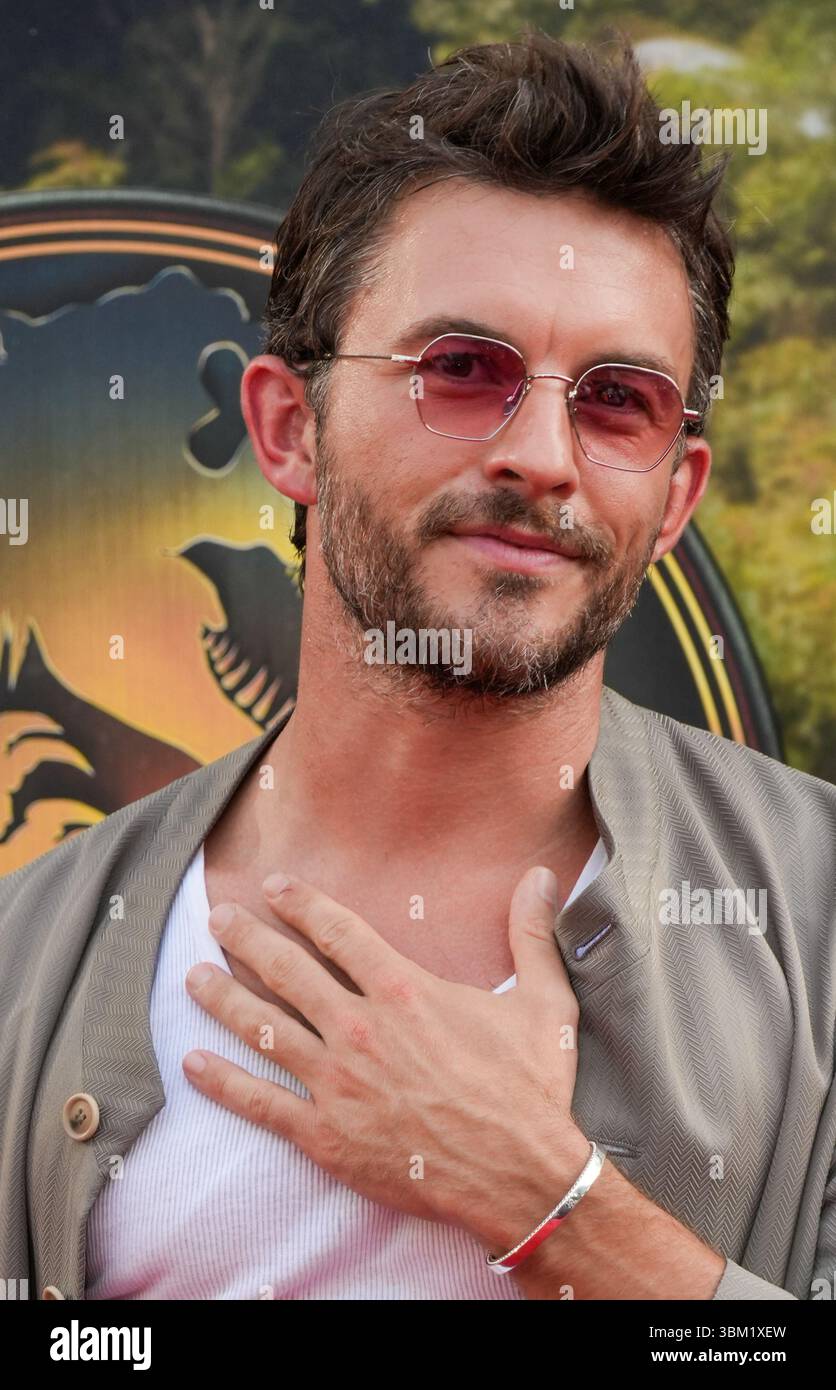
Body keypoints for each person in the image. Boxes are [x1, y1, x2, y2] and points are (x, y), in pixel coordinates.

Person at [1, 31, 834, 1303]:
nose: (543, 455)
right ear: (291, 430)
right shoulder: (31, 951)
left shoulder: (816, 918)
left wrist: (545, 1201)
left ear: (673, 502)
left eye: (616, 400)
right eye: (461, 370)